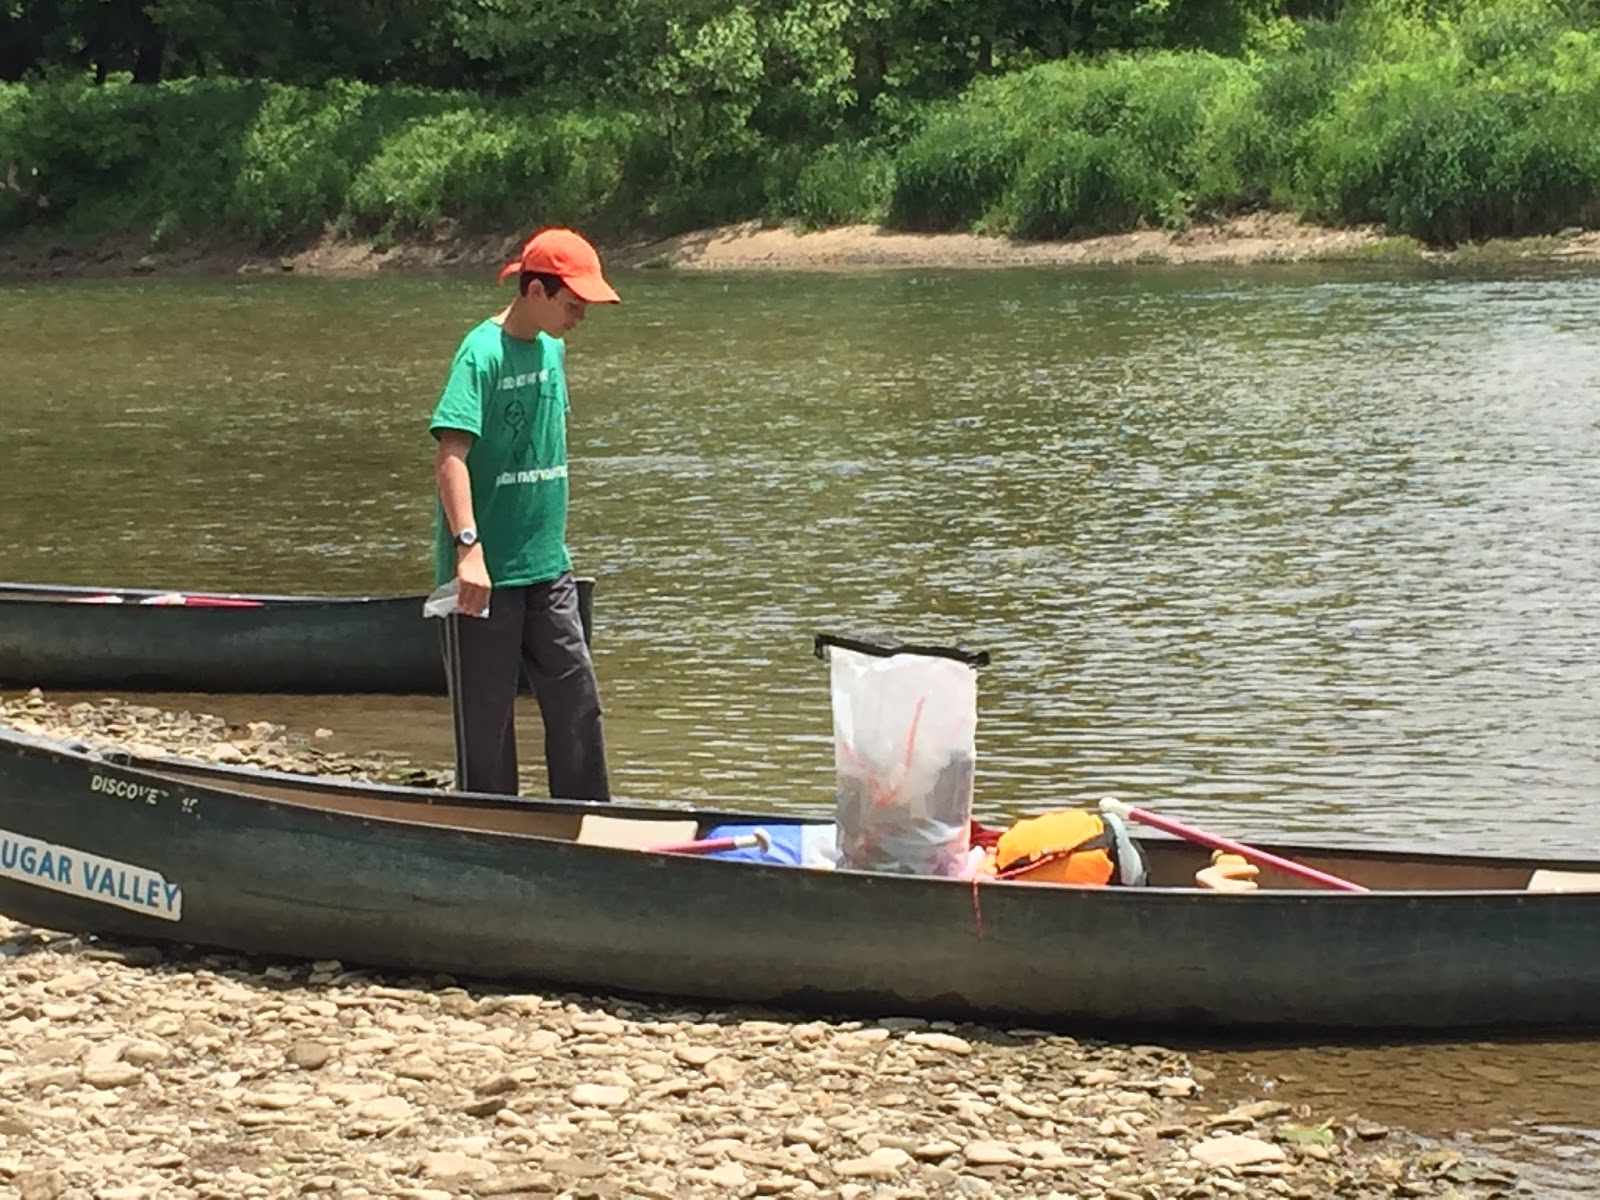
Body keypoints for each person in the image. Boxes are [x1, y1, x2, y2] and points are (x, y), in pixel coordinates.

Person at [427, 227, 618, 800]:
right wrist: (469, 549)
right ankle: (492, 829)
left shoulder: (553, 349)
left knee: (577, 700)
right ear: (535, 289)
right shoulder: (479, 354)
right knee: (486, 727)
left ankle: (587, 822)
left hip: (547, 567)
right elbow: (451, 456)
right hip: (483, 576)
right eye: (573, 303)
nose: (580, 316)